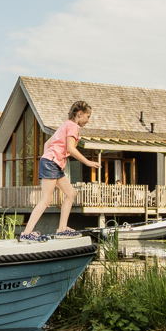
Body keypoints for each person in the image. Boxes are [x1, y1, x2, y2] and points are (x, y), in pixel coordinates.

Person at [19, 100, 100, 241]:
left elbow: (47, 143)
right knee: (46, 200)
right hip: (51, 164)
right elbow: (70, 148)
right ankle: (26, 233)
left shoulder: (65, 125)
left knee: (71, 193)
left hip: (52, 164)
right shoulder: (73, 126)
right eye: (88, 116)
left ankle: (62, 229)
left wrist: (51, 158)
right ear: (79, 114)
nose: (88, 120)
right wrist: (87, 162)